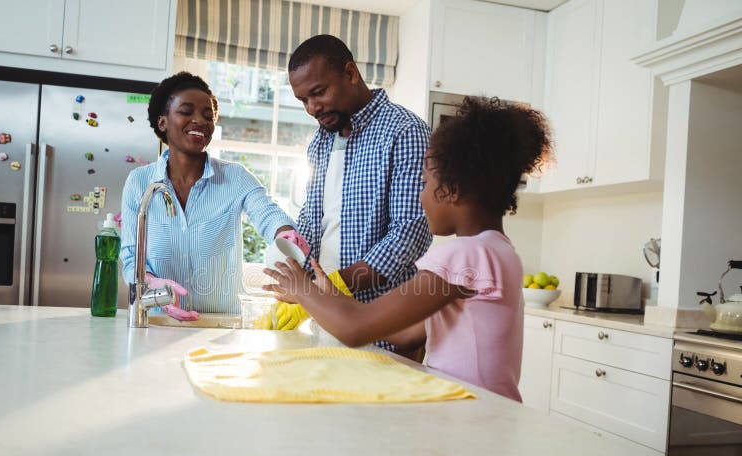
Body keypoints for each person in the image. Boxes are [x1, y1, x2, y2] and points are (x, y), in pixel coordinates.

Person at [264, 96, 552, 401]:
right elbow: (404, 333)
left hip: (472, 416)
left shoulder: (464, 257)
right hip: (484, 410)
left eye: (425, 184)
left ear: (452, 190)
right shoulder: (499, 251)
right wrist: (327, 292)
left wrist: (302, 288)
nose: (420, 197)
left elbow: (355, 329)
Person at [275, 34, 432, 333]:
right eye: (303, 100)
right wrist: (302, 287)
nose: (312, 108)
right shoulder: (320, 142)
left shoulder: (405, 132)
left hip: (383, 325)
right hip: (324, 320)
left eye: (318, 92)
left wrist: (334, 286)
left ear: (350, 73)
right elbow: (313, 219)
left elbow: (410, 233)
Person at [120, 72, 308, 319]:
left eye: (208, 116)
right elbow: (131, 256)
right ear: (163, 122)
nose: (199, 121)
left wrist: (286, 235)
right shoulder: (140, 182)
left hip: (222, 324)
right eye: (187, 112)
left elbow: (268, 214)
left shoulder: (235, 178)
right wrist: (153, 286)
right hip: (158, 320)